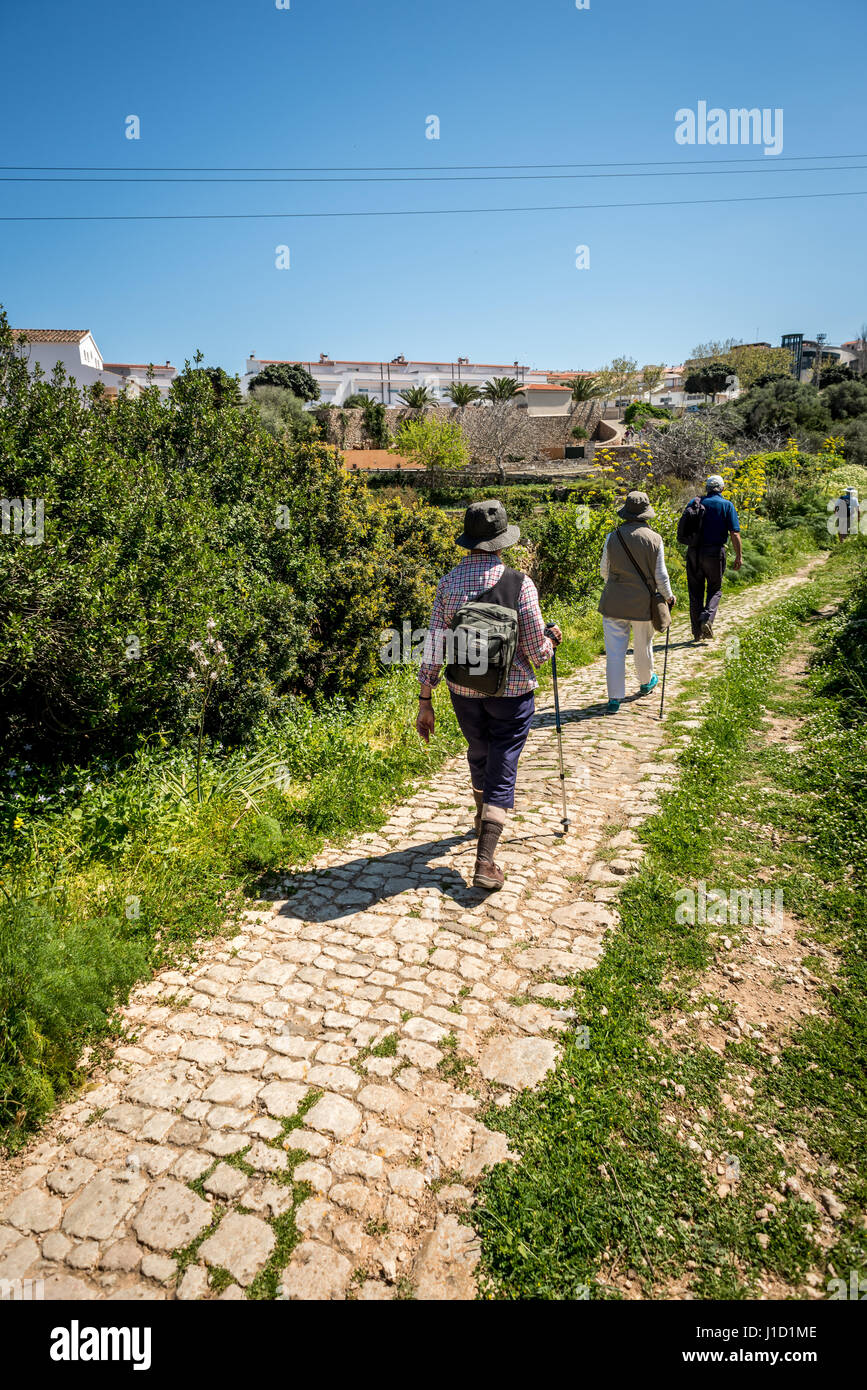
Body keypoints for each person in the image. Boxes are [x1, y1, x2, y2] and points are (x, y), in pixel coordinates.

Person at [415, 499, 562, 892]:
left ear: (468, 541)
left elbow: (434, 646)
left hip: (462, 691)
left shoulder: (448, 584)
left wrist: (424, 700)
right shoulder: (520, 584)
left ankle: (482, 820)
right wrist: (550, 640)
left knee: (479, 751)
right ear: (502, 542)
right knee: (503, 765)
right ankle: (485, 860)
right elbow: (535, 652)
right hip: (511, 694)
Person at [598, 490, 676, 714]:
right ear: (646, 514)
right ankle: (645, 682)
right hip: (643, 603)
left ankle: (614, 699)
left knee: (614, 652)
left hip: (614, 601)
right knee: (643, 645)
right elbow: (661, 576)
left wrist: (619, 581)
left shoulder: (612, 537)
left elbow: (604, 571)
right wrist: (668, 596)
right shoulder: (655, 539)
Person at [684, 474, 742, 640]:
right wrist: (738, 555)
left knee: (695, 592)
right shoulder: (726, 505)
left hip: (693, 552)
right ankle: (707, 619)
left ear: (707, 489)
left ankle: (697, 632)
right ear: (722, 488)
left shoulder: (694, 503)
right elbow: (734, 533)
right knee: (714, 588)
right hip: (715, 553)